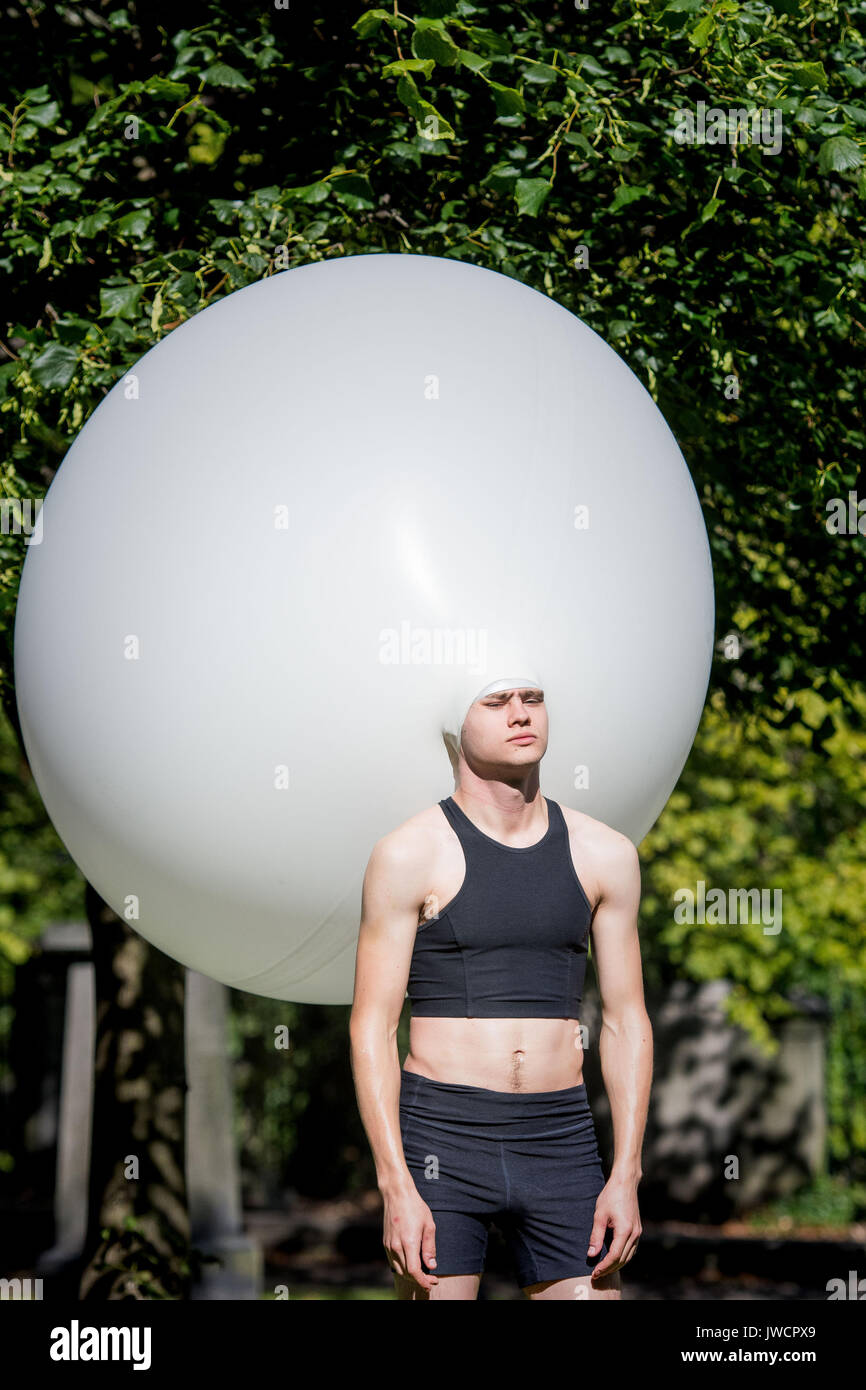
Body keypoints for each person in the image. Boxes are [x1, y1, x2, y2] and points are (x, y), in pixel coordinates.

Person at [349, 679, 651, 1300]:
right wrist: (395, 1185)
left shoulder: (606, 853)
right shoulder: (408, 853)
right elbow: (371, 1028)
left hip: (560, 1139)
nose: (521, 715)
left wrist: (626, 1173)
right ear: (455, 726)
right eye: (495, 702)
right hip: (443, 1139)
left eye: (532, 699)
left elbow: (627, 1021)